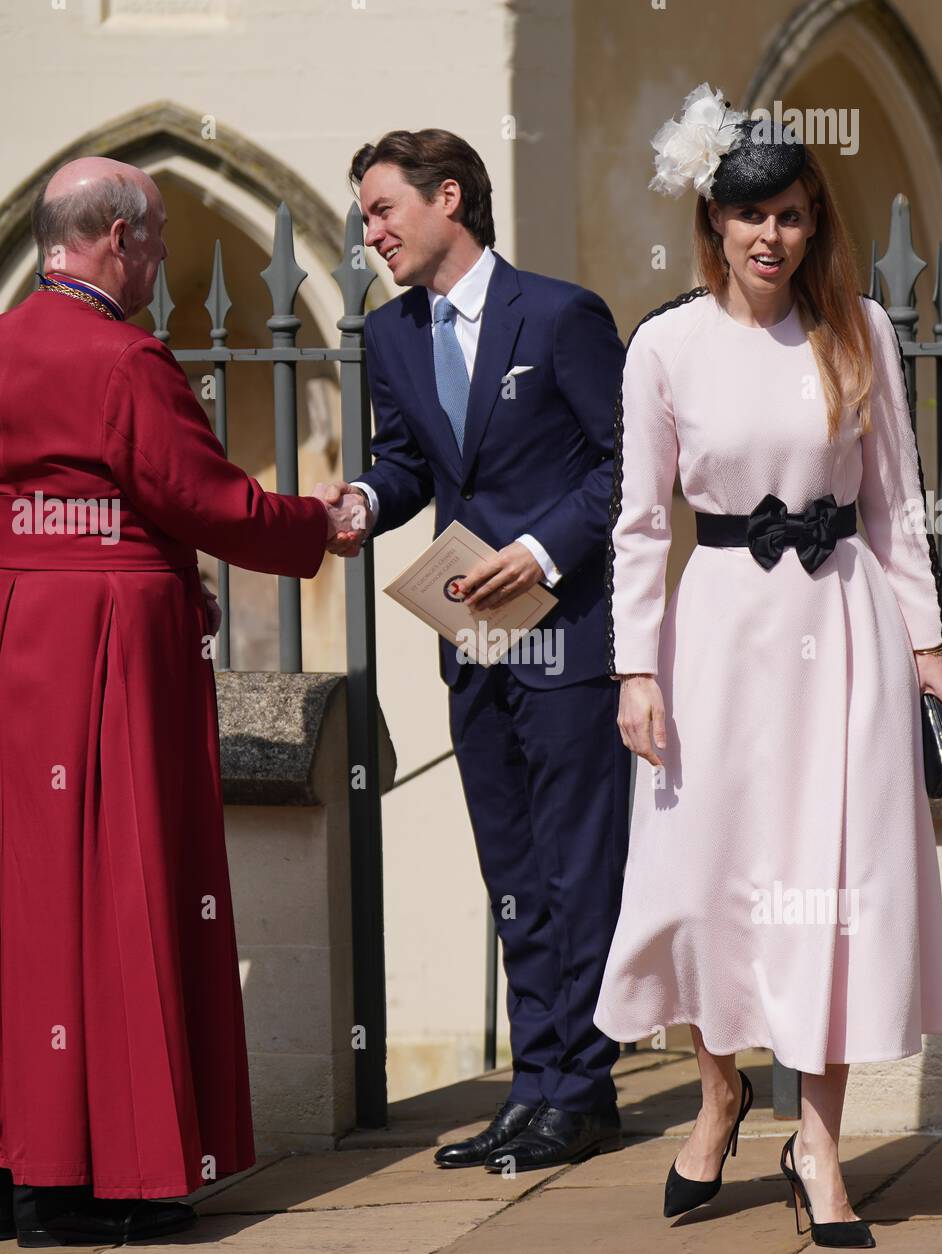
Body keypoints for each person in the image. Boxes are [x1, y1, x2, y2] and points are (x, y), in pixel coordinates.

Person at [593, 84, 942, 1247]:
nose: (770, 237)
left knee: (834, 886)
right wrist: (632, 669)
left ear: (813, 221)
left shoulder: (859, 326)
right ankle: (717, 1089)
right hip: (712, 635)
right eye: (748, 217)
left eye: (792, 216)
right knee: (707, 881)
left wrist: (926, 642)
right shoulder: (661, 345)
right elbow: (641, 523)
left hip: (841, 632)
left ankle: (817, 1143)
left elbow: (898, 505)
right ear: (711, 221)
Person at [0, 157, 352, 1248]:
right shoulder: (127, 358)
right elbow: (206, 497)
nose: (157, 268)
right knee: (127, 885)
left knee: (30, 900)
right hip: (113, 650)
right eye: (150, 245)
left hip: (20, 632)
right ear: (113, 236)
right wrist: (315, 524)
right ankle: (125, 1171)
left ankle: (31, 1163)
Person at [333, 129, 630, 1171]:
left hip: (569, 636)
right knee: (509, 866)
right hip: (472, 640)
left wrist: (541, 548)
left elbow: (628, 466)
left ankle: (584, 1087)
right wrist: (365, 498)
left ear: (446, 197)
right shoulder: (388, 335)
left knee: (575, 862)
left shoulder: (559, 315)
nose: (369, 231)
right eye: (365, 215)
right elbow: (407, 463)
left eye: (381, 210)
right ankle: (537, 1080)